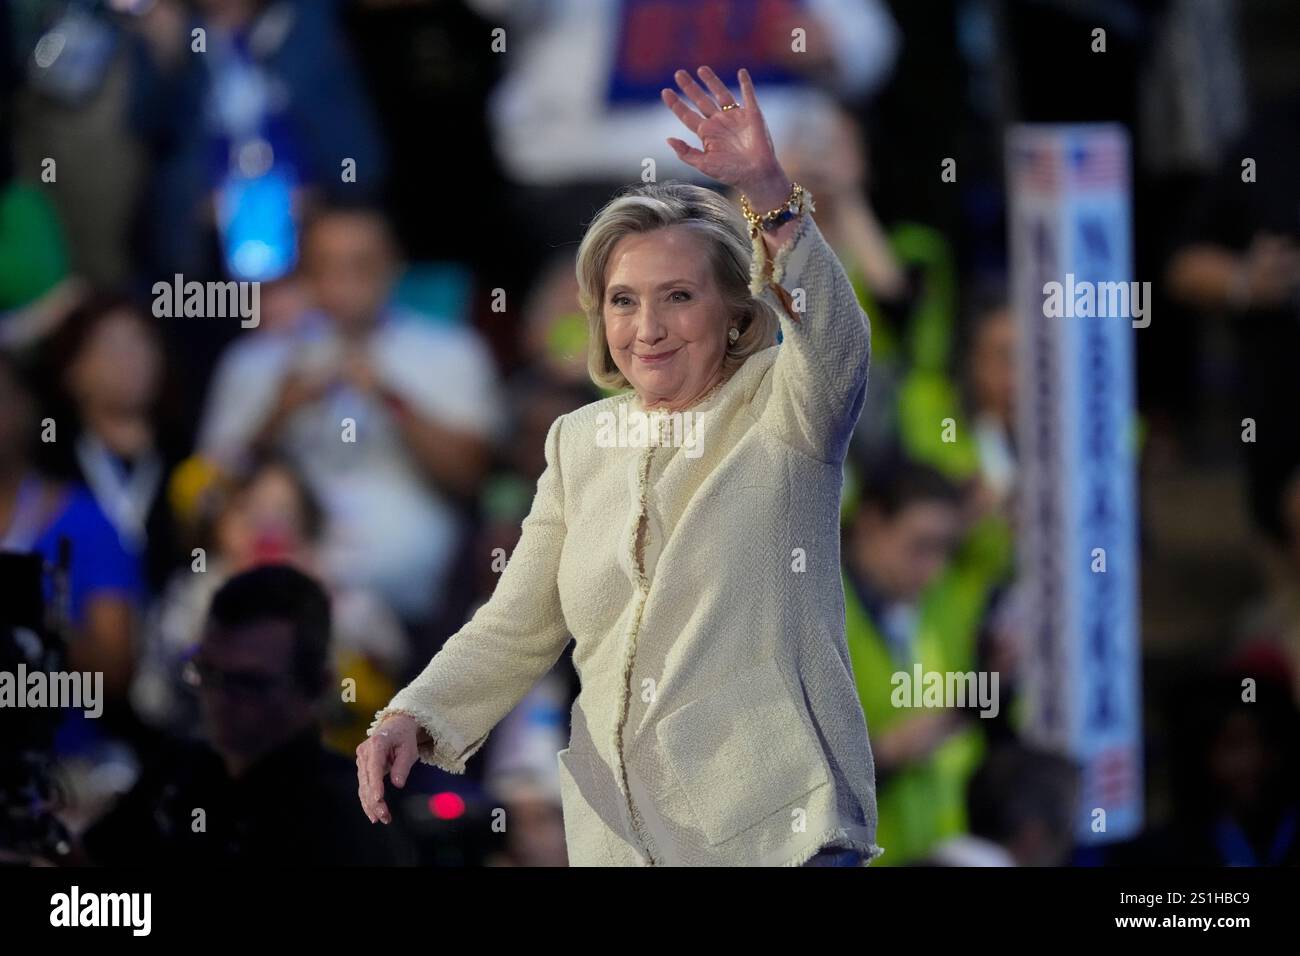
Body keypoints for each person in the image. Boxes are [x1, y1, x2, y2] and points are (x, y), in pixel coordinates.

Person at [358, 65, 879, 867]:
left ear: (738, 311)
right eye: (623, 299)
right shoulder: (575, 440)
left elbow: (838, 343)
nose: (648, 327)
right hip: (620, 841)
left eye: (679, 297)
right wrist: (412, 714)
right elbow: (517, 622)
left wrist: (772, 197)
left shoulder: (784, 406)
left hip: (778, 838)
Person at [81, 564, 413, 866]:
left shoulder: (349, 812)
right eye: (207, 673)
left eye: (249, 683)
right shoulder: (176, 774)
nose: (219, 698)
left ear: (315, 685)